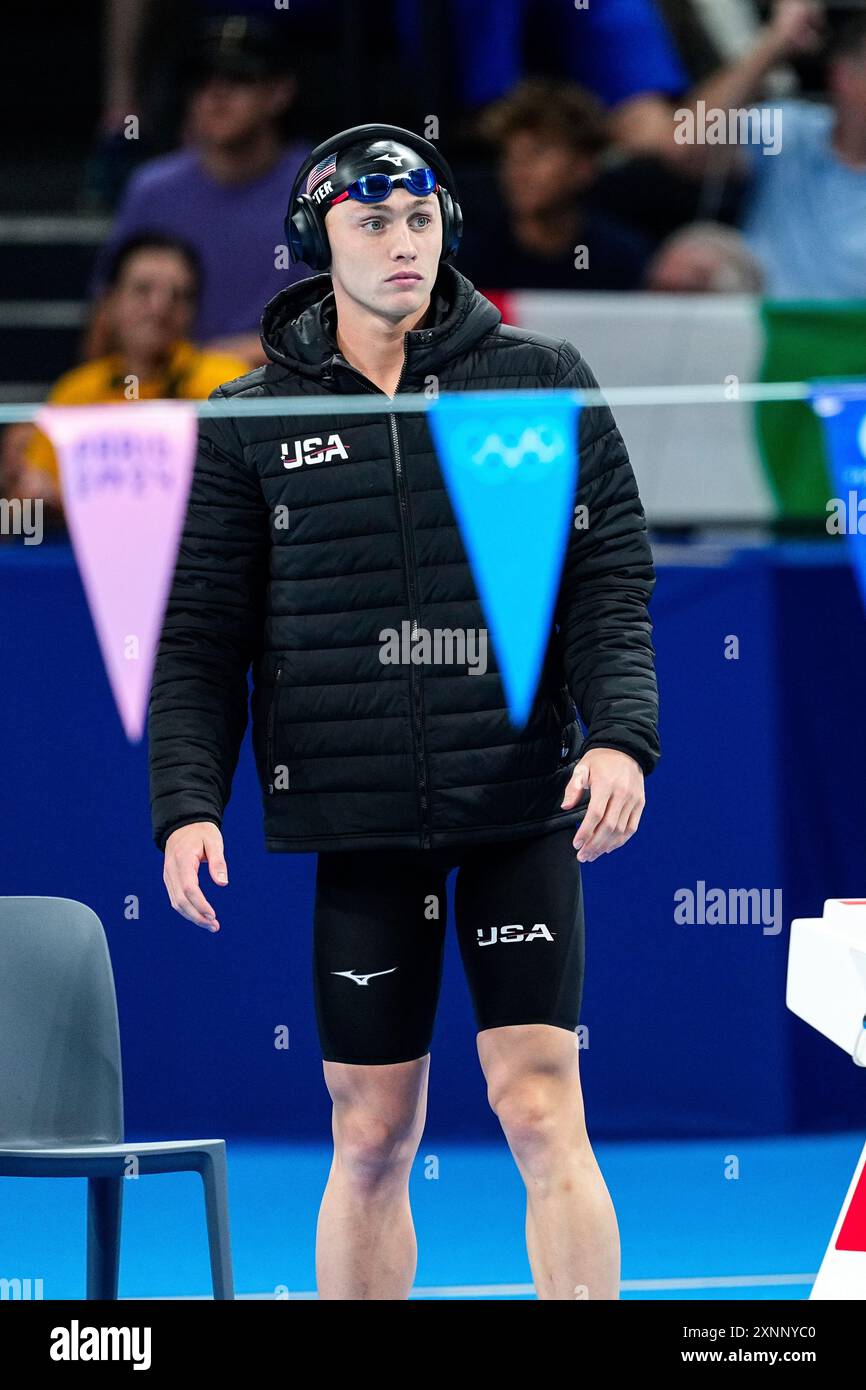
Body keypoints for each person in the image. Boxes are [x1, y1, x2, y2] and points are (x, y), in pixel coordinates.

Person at [148, 122, 660, 1300]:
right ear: (314, 240)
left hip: (515, 800)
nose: (401, 243)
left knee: (539, 1104)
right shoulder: (250, 419)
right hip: (360, 818)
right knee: (371, 1132)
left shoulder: (538, 381)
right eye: (370, 221)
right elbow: (199, 637)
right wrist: (186, 802)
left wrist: (622, 735)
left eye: (419, 219)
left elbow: (608, 579)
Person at [88, 14, 312, 367]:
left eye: (239, 78)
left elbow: (339, 327)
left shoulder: (317, 187)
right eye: (201, 80)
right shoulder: (152, 189)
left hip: (284, 397)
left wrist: (214, 366)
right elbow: (107, 318)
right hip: (168, 399)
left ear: (279, 92)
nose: (216, 94)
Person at [4, 234, 248, 520]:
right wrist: (37, 496)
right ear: (110, 302)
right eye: (143, 290)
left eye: (178, 295)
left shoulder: (226, 382)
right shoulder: (76, 391)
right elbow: (28, 500)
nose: (159, 307)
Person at [457, 79, 653, 291]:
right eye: (510, 156)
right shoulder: (468, 259)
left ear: (583, 167)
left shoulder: (620, 260)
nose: (518, 171)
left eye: (537, 153)